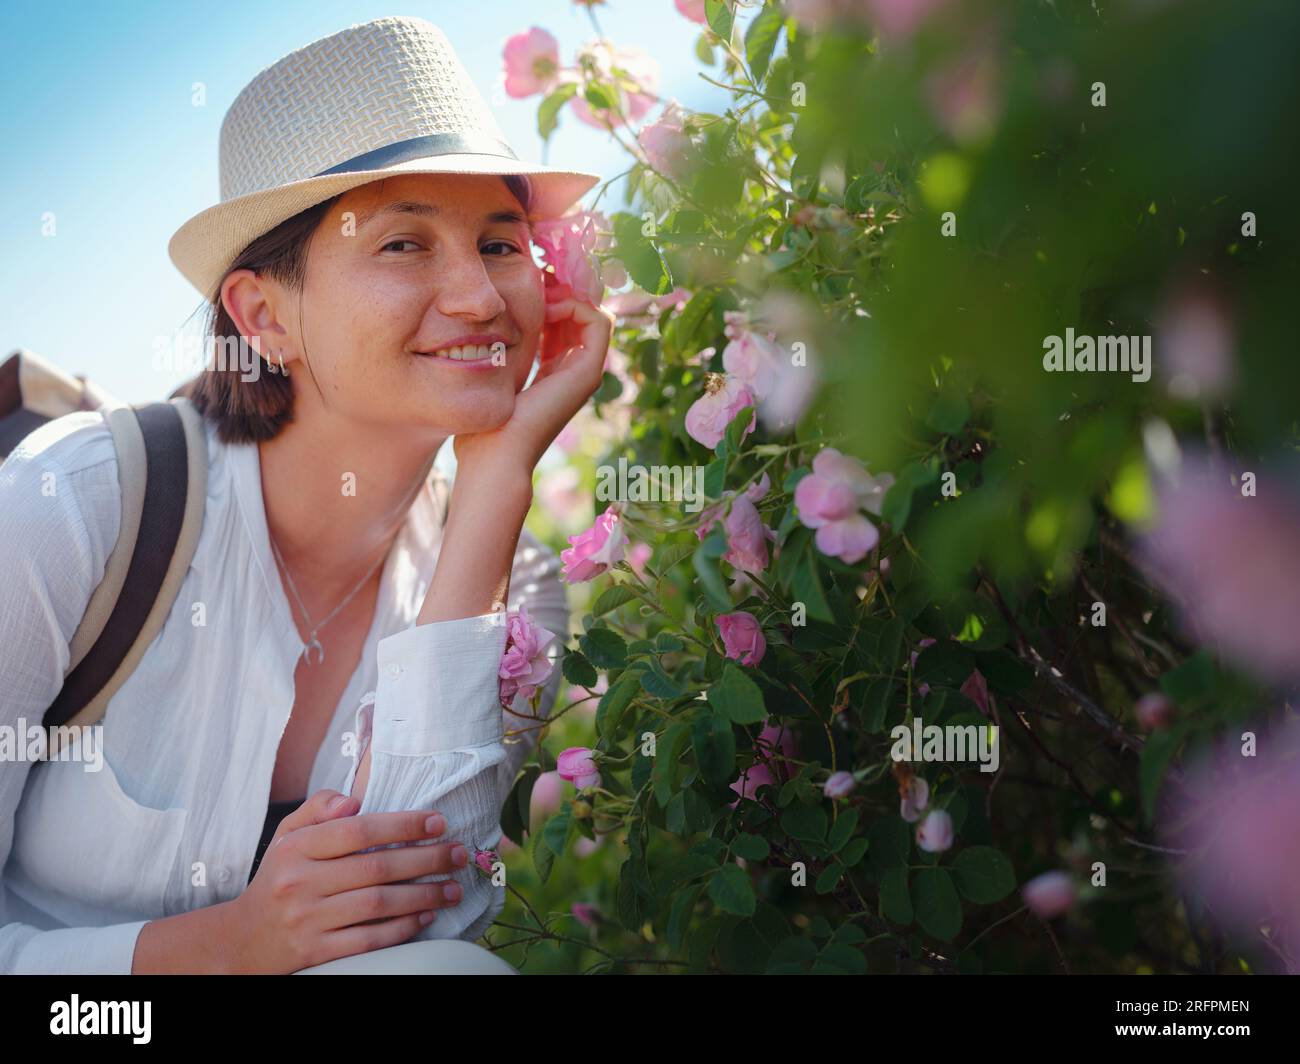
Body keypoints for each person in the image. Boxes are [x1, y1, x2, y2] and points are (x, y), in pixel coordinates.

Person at [0, 16, 611, 974]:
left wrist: (499, 476)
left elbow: (429, 920)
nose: (482, 299)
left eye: (501, 243)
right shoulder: (76, 507)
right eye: (405, 244)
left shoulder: (517, 585)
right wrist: (230, 946)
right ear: (264, 315)